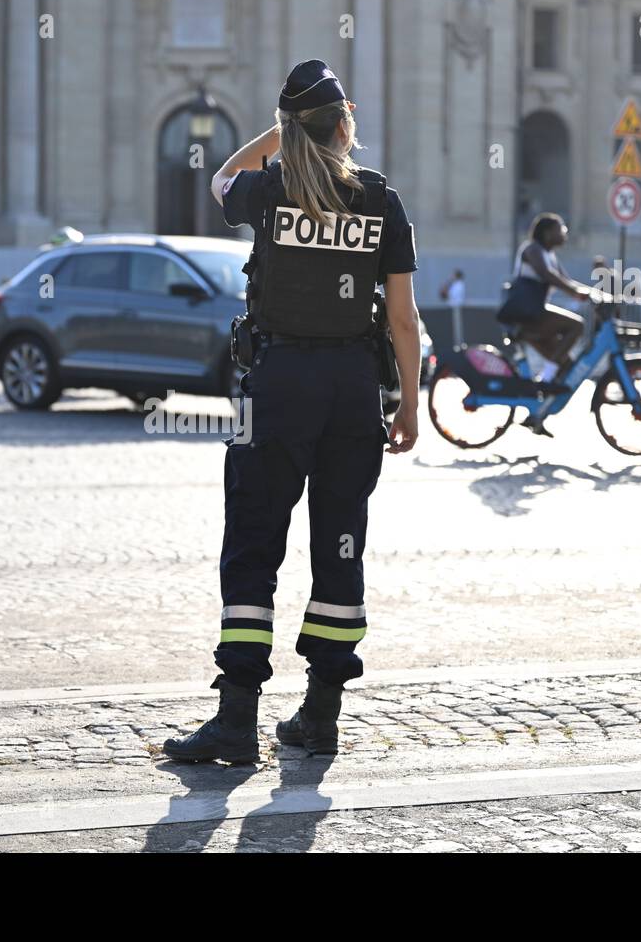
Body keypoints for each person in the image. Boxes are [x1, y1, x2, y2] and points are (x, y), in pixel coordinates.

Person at [162, 59, 422, 765]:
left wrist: (275, 137)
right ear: (345, 125)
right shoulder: (380, 200)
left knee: (253, 541)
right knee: (341, 544)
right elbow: (403, 320)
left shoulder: (266, 188)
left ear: (288, 130)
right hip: (350, 392)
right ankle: (320, 715)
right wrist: (410, 407)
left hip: (277, 386)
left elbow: (218, 178)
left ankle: (237, 719)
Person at [497, 212, 594, 435]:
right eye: (561, 229)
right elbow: (547, 275)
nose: (565, 233)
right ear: (548, 232)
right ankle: (546, 378)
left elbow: (566, 280)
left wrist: (590, 293)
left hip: (535, 316)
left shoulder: (549, 254)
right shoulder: (532, 249)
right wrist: (576, 292)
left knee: (567, 365)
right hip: (526, 316)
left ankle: (536, 415)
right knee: (576, 326)